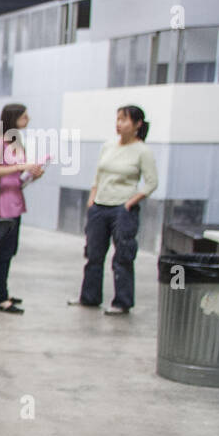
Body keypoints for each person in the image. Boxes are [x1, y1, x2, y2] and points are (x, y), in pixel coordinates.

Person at [77, 105, 158, 314]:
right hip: (99, 207)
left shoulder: (143, 151)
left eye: (124, 120)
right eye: (118, 119)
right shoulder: (108, 146)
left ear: (137, 124)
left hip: (122, 209)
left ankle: (122, 302)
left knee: (123, 257)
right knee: (93, 254)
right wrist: (92, 199)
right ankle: (89, 297)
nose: (119, 124)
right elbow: (98, 175)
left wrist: (130, 202)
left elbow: (151, 183)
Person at [0, 103, 46, 314]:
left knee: (10, 251)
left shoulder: (18, 144)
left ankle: (3, 292)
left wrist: (33, 175)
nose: (28, 119)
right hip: (2, 204)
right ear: (13, 119)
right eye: (24, 116)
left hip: (16, 201)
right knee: (2, 251)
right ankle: (0, 297)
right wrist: (21, 166)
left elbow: (19, 180)